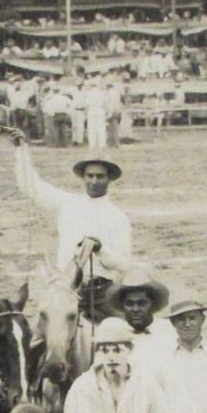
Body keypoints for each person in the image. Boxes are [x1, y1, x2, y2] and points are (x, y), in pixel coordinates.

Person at [11, 135, 133, 322]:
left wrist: (101, 250)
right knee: (42, 339)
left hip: (100, 293)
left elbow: (125, 264)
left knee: (109, 339)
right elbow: (32, 187)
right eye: (89, 176)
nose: (93, 181)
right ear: (83, 177)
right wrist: (21, 150)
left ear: (109, 179)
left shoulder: (118, 217)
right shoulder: (68, 204)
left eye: (100, 176)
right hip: (65, 289)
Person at [107, 268, 176, 368]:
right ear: (122, 306)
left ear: (152, 304)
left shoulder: (168, 330)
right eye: (129, 304)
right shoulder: (114, 334)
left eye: (141, 303)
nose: (135, 309)